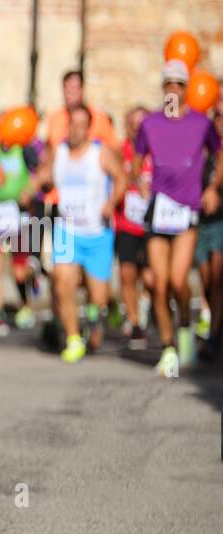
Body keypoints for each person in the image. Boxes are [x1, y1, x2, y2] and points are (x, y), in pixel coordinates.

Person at [133, 59, 223, 376]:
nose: (173, 89)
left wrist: (212, 187)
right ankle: (169, 348)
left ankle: (184, 323)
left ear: (187, 89)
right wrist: (139, 180)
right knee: (158, 285)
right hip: (159, 211)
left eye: (179, 84)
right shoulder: (150, 124)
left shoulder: (201, 124)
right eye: (168, 83)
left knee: (177, 280)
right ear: (162, 87)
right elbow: (137, 157)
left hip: (187, 212)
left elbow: (219, 151)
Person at [32, 105, 126, 363]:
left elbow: (121, 178)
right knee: (62, 281)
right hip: (67, 230)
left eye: (82, 124)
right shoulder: (58, 152)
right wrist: (35, 184)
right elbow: (44, 175)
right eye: (72, 123)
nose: (76, 129)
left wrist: (111, 203)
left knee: (98, 296)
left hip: (97, 234)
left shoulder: (100, 152)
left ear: (88, 127)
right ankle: (74, 339)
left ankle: (106, 306)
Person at [0, 124, 39, 337]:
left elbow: (36, 176)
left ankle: (26, 298)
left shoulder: (22, 150)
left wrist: (29, 191)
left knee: (19, 270)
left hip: (18, 211)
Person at [115, 105, 153, 350]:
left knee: (151, 277)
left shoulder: (158, 150)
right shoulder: (120, 152)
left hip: (153, 224)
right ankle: (135, 323)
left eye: (142, 124)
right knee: (127, 274)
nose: (137, 129)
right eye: (133, 124)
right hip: (126, 222)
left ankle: (148, 304)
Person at [195, 107, 223, 360]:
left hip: (220, 221)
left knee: (217, 278)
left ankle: (213, 336)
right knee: (205, 279)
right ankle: (215, 321)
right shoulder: (202, 148)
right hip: (198, 221)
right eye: (218, 117)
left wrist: (214, 187)